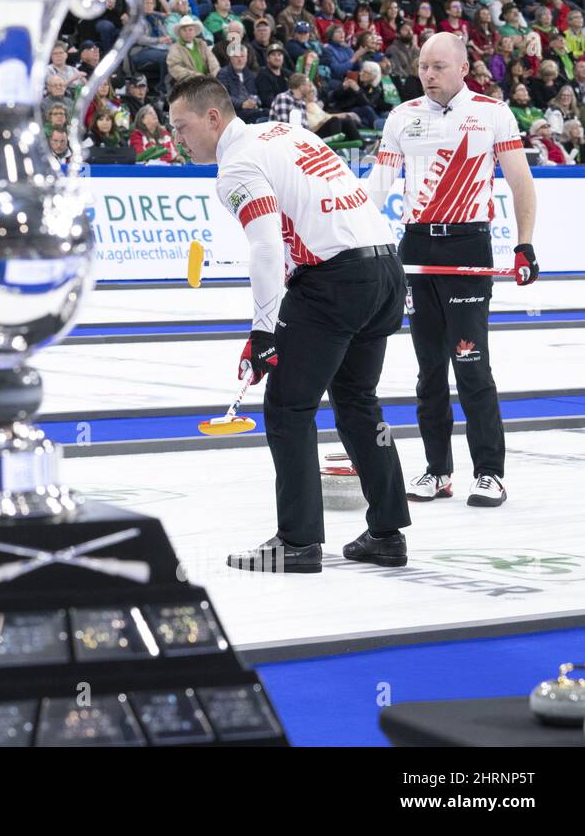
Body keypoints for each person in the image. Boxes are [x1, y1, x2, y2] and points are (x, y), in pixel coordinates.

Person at [168, 75, 411, 574]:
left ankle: (298, 542)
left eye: (182, 127)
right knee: (358, 401)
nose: (178, 139)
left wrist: (262, 333)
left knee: (287, 407)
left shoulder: (234, 166)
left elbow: (266, 245)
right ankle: (387, 533)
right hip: (385, 269)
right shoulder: (284, 133)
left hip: (335, 280)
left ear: (213, 118)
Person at [366, 31, 539, 507]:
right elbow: (376, 188)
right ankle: (438, 471)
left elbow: (521, 183)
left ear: (464, 68)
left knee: (471, 363)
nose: (428, 74)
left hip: (468, 245)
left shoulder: (492, 113)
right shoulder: (402, 117)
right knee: (427, 371)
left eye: (438, 66)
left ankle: (489, 473)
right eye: (423, 66)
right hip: (417, 246)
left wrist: (524, 245)